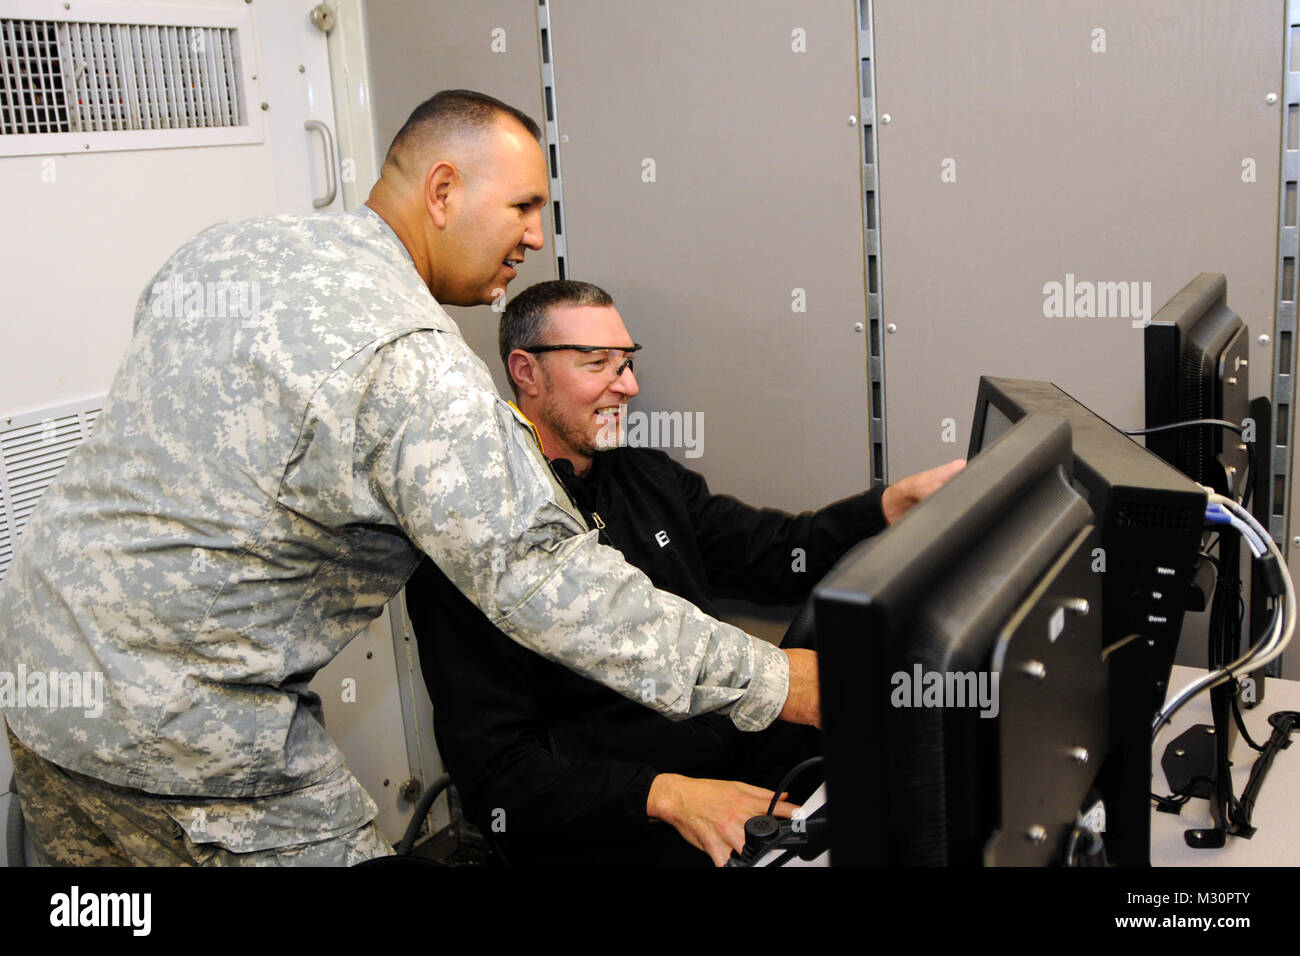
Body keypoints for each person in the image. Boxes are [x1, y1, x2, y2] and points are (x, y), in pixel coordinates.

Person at [0, 91, 819, 867]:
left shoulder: (225, 253)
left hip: (43, 689)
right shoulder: (412, 363)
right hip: (188, 740)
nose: (536, 237)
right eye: (524, 206)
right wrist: (773, 681)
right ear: (442, 189)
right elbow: (545, 580)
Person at [405, 279, 964, 866]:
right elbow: (500, 780)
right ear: (525, 371)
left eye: (627, 362)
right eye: (598, 363)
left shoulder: (644, 476)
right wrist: (666, 796)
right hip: (622, 815)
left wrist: (887, 506)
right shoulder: (474, 541)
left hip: (727, 753)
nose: (629, 386)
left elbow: (778, 552)